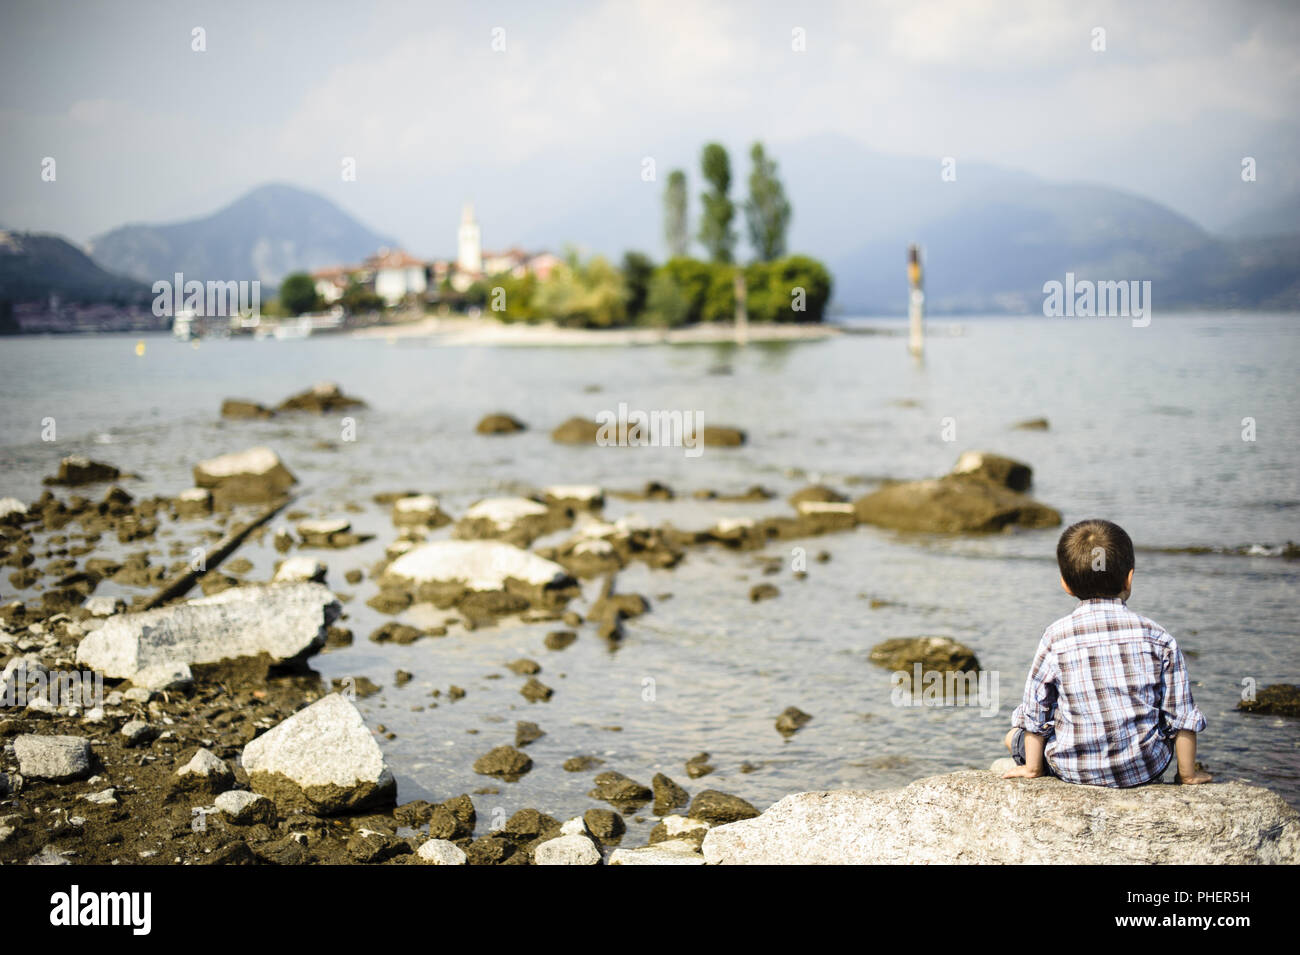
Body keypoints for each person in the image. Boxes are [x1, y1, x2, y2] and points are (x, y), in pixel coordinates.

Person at [1002, 519, 1211, 787]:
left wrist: (1032, 769)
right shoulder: (1158, 636)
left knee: (1013, 736)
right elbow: (1180, 714)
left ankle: (1034, 762)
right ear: (1129, 578)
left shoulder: (1056, 637)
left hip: (1075, 769)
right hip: (1144, 767)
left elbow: (1036, 709)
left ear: (1065, 584)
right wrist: (1187, 775)